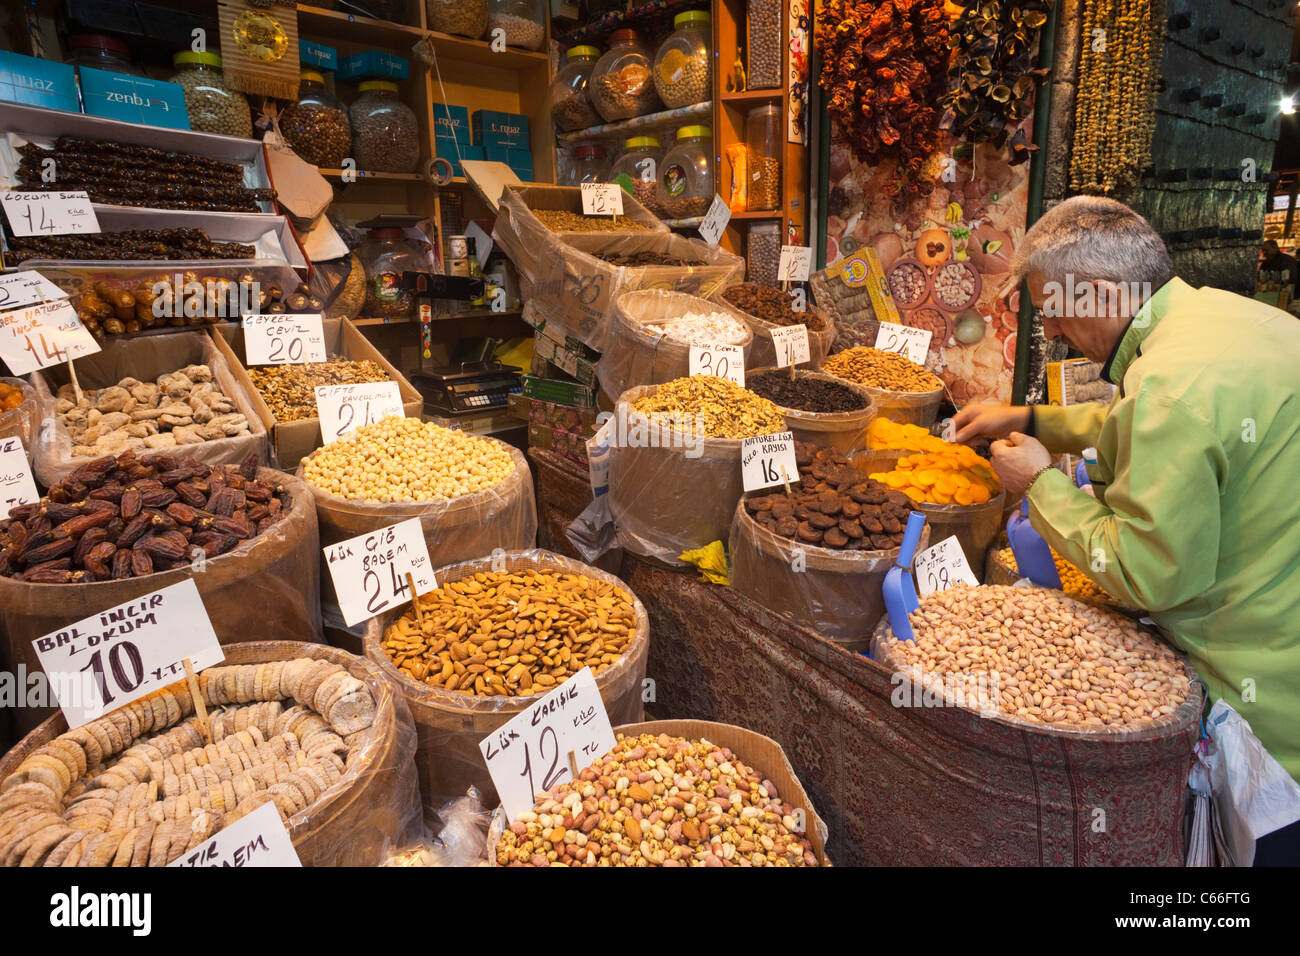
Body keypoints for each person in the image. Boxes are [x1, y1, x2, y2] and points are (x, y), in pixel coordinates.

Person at [952, 196, 1300, 862]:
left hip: (1268, 718)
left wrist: (1040, 486)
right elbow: (1162, 426)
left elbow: (1150, 575)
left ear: (1104, 293)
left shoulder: (1174, 379)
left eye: (1053, 309)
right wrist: (1030, 418)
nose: (1050, 331)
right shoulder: (1231, 319)